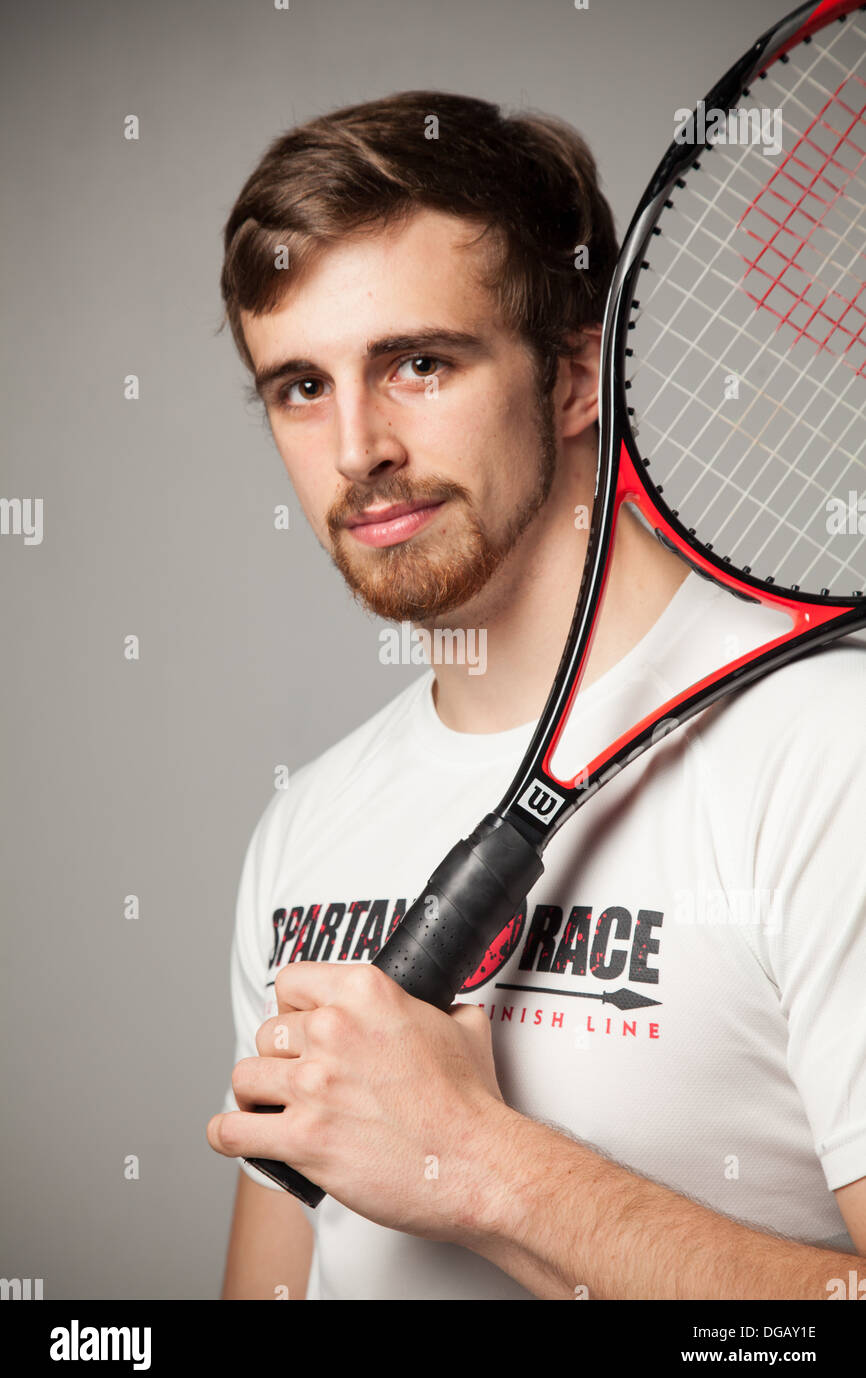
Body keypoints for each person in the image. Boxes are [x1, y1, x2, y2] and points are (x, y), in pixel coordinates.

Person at [206, 91, 866, 1300]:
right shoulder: (306, 825)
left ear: (572, 376)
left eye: (416, 362)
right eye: (299, 386)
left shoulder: (833, 755)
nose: (356, 448)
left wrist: (477, 1164)